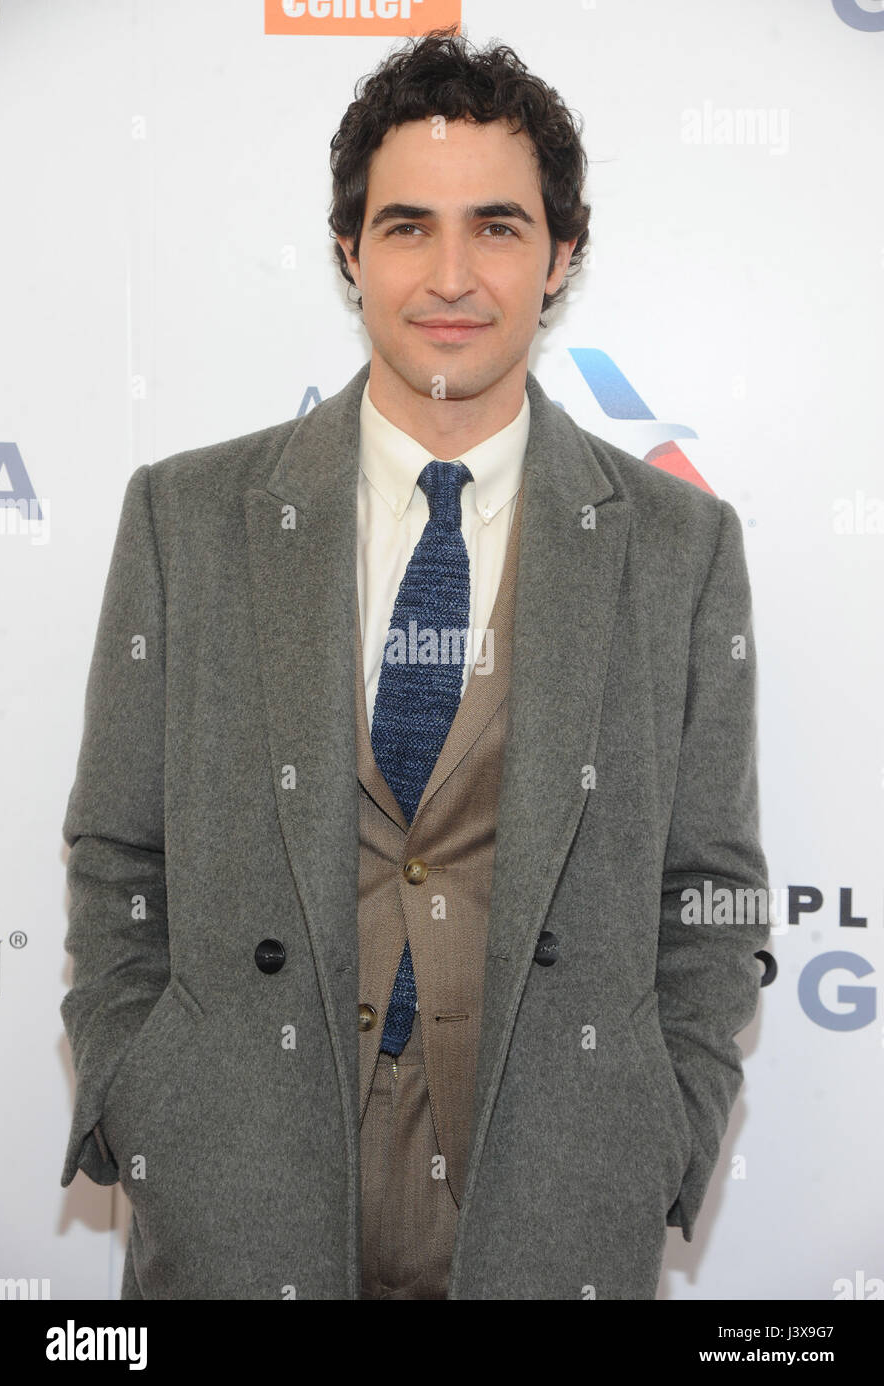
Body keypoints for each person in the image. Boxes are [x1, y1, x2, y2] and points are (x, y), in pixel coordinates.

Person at [59, 28, 769, 1300]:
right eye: (406, 227)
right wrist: (142, 1092)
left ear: (562, 256)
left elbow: (709, 884)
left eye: (496, 227)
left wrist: (663, 1129)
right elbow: (119, 847)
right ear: (350, 251)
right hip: (246, 1187)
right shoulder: (188, 514)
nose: (451, 275)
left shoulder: (679, 547)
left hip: (553, 1192)